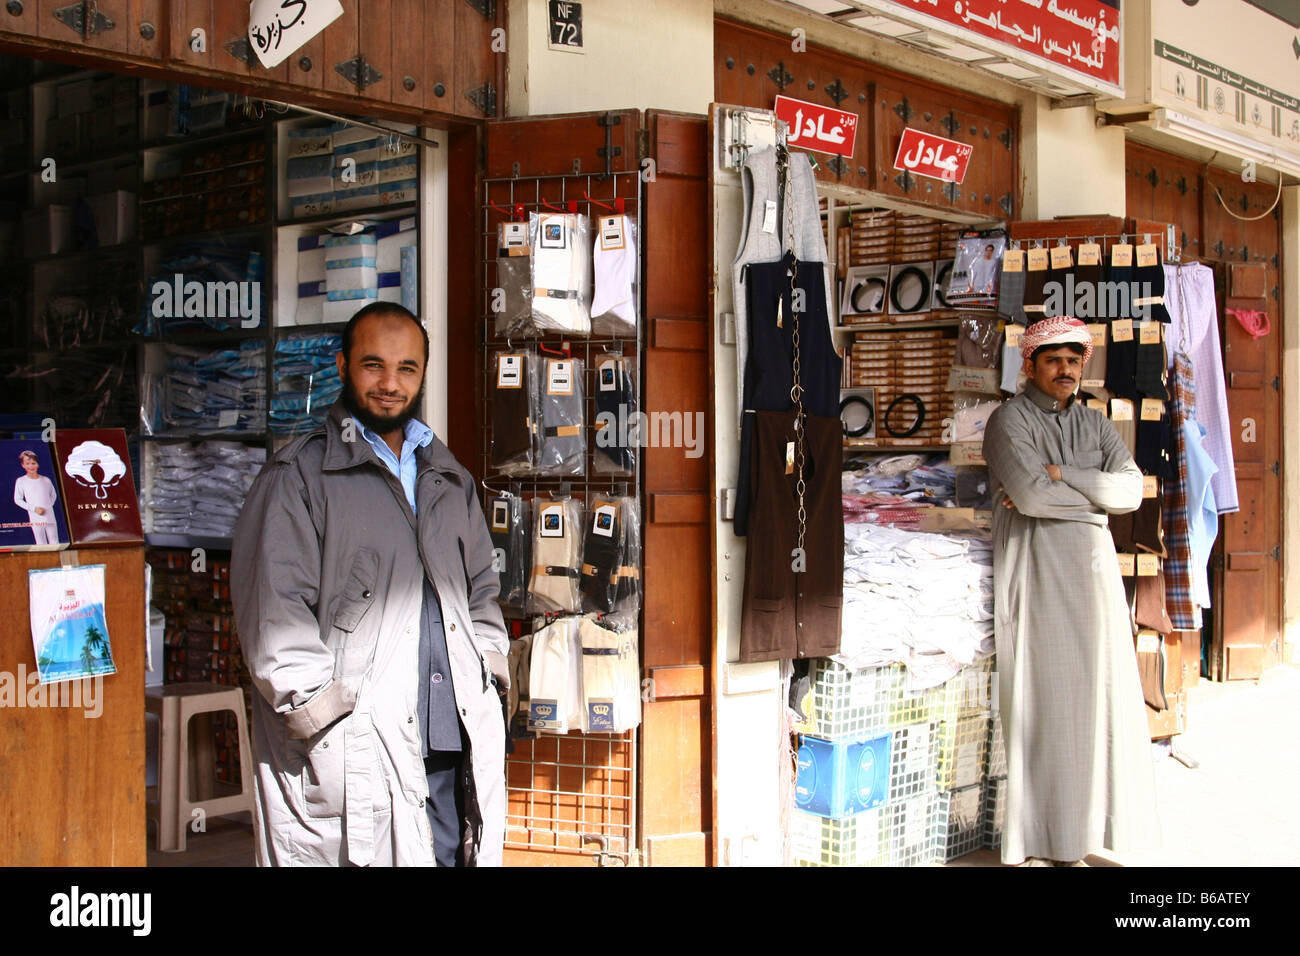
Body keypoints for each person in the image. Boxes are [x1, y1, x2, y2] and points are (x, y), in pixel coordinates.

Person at [232, 302, 510, 867]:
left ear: (423, 374)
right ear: (341, 366)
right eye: (373, 365)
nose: (390, 383)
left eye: (407, 368)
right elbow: (274, 615)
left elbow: (481, 589)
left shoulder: (448, 475)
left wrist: (489, 670)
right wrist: (322, 717)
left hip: (451, 732)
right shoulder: (299, 477)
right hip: (355, 741)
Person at [982, 316, 1158, 867]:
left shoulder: (1096, 425)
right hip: (1039, 572)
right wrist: (1091, 501)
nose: (1066, 370)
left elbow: (1132, 490)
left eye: (1074, 361)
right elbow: (1031, 499)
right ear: (1029, 365)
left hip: (1095, 575)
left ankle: (1088, 832)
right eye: (1054, 360)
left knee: (1101, 701)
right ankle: (1044, 841)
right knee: (1048, 703)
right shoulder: (1008, 421)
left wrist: (1066, 476)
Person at [14, 450, 58, 545]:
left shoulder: (46, 480)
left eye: (33, 463)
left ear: (37, 464)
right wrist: (34, 509)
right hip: (35, 519)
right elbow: (17, 499)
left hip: (50, 518)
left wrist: (48, 507)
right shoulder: (21, 481)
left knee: (54, 542)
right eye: (27, 463)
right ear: (23, 465)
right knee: (41, 543)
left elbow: (53, 495)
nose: (31, 466)